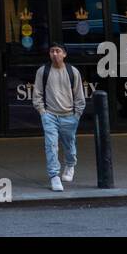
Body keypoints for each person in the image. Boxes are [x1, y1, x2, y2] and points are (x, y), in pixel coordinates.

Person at [32, 44, 86, 191]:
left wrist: (77, 114)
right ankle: (54, 176)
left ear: (64, 54)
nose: (55, 54)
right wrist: (42, 112)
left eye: (58, 51)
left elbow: (79, 95)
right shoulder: (43, 71)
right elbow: (37, 93)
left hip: (69, 115)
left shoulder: (72, 71)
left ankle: (70, 164)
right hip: (50, 115)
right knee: (51, 145)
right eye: (52, 51)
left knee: (69, 145)